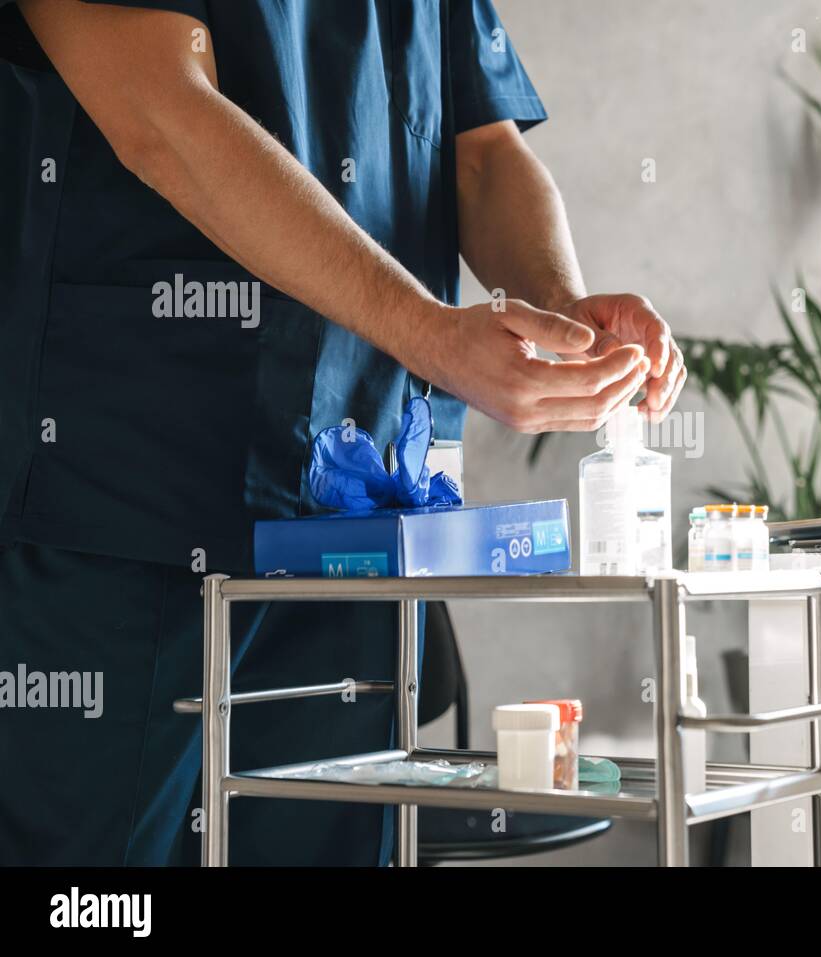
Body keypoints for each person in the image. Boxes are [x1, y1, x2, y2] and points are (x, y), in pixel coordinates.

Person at [0, 0, 685, 865]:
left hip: (357, 524)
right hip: (137, 498)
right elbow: (158, 113)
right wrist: (433, 332)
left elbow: (482, 156)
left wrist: (562, 313)